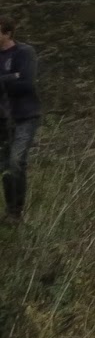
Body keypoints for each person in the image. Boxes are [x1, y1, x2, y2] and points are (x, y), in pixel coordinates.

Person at [0, 18, 41, 222]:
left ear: (7, 33)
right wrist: (10, 77)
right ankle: (10, 211)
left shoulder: (24, 53)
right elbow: (14, 81)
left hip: (25, 116)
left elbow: (26, 84)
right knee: (7, 166)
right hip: (3, 119)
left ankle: (16, 211)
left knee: (17, 162)